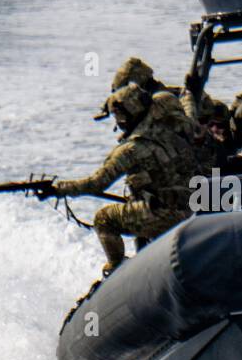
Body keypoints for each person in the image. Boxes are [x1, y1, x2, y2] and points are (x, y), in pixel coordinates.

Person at [52, 83, 199, 275]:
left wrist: (59, 189)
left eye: (119, 116)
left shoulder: (131, 150)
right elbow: (190, 113)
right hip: (193, 210)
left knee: (104, 218)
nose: (118, 122)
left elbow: (97, 183)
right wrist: (188, 95)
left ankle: (116, 267)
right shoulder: (177, 126)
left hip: (163, 215)